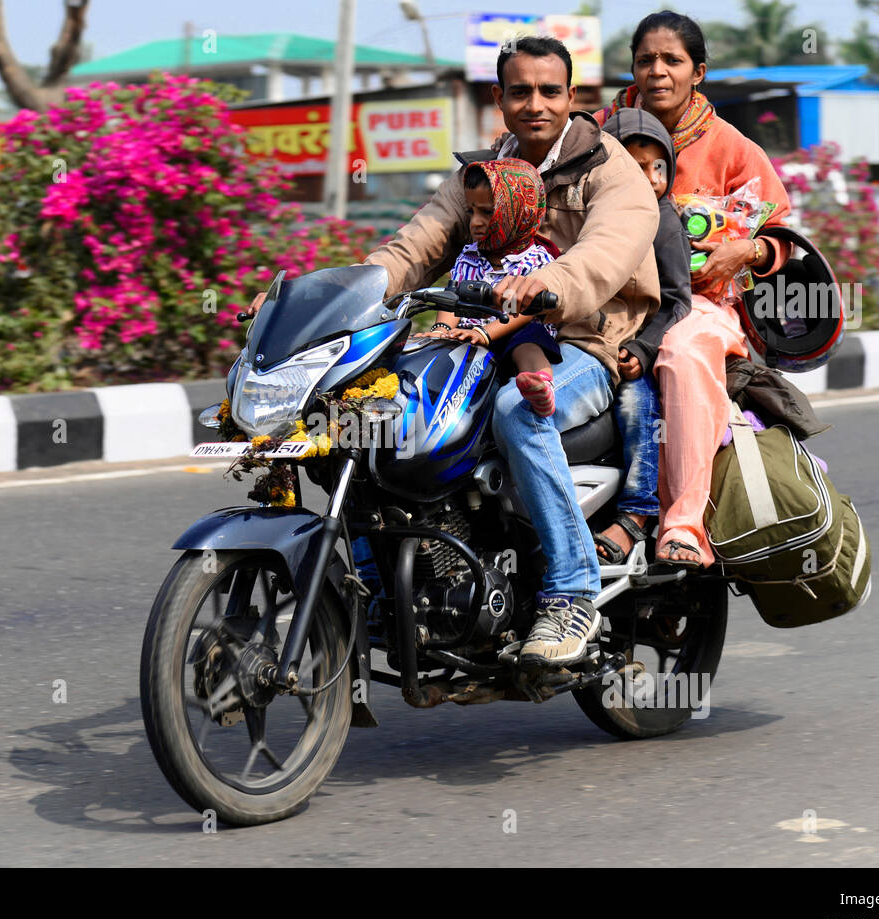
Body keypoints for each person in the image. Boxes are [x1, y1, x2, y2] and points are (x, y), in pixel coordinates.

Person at [249, 35, 661, 666]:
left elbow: (607, 252)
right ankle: (385, 584)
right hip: (477, 335)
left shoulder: (610, 169)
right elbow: (413, 248)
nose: (535, 105)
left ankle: (571, 593)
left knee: (517, 413)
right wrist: (320, 300)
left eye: (550, 91)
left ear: (571, 96)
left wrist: (545, 285)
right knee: (359, 411)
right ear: (499, 98)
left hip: (582, 342)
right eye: (520, 91)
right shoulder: (482, 172)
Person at [594, 11, 795, 570]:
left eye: (672, 60)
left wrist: (745, 251)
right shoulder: (594, 134)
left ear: (697, 72)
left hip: (701, 306)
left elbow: (781, 236)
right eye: (645, 60)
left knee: (680, 353)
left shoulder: (733, 148)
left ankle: (681, 525)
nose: (657, 70)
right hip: (604, 302)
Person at [592, 107, 693, 564]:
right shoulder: (593, 212)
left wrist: (642, 348)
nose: (651, 179)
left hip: (635, 340)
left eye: (659, 168)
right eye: (636, 168)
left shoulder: (664, 222)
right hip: (586, 339)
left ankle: (637, 513)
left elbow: (676, 300)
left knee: (637, 403)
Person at [416, 158, 565, 416]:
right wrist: (441, 329)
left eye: (486, 212)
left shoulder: (537, 260)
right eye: (471, 211)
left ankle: (539, 383)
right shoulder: (468, 255)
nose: (475, 222)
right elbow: (453, 296)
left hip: (512, 332)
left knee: (527, 342)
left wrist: (486, 332)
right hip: (470, 337)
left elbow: (524, 310)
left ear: (517, 212)